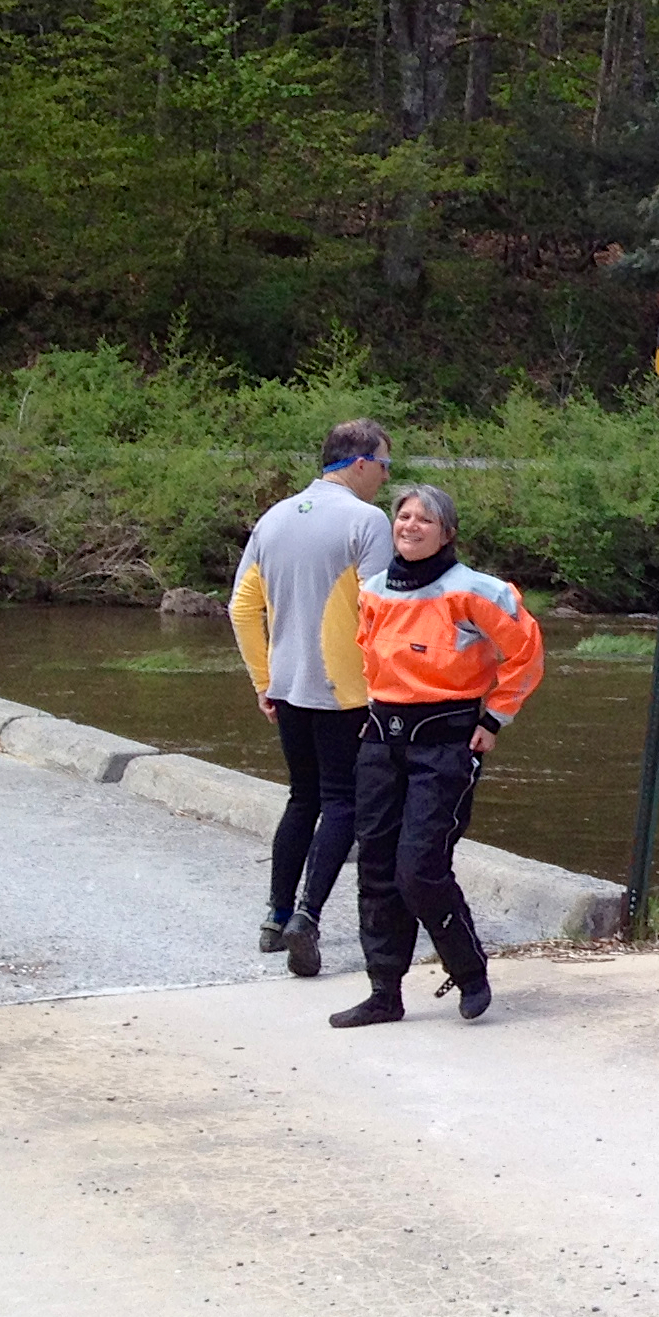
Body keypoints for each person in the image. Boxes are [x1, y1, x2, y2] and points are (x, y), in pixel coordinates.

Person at [331, 482, 544, 1029]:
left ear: (446, 532)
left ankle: (469, 973)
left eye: (424, 519)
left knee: (419, 868)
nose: (410, 525)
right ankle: (384, 992)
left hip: (446, 742)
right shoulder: (374, 590)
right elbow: (368, 657)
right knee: (376, 865)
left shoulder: (476, 592)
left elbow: (526, 651)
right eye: (403, 516)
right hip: (382, 739)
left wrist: (495, 717)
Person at [228, 418, 393, 979]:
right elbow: (380, 612)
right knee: (343, 801)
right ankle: (308, 916)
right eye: (386, 466)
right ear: (361, 462)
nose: (386, 479)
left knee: (303, 797)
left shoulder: (273, 517)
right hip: (347, 692)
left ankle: (274, 918)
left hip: (288, 685)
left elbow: (239, 608)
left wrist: (262, 679)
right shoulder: (368, 521)